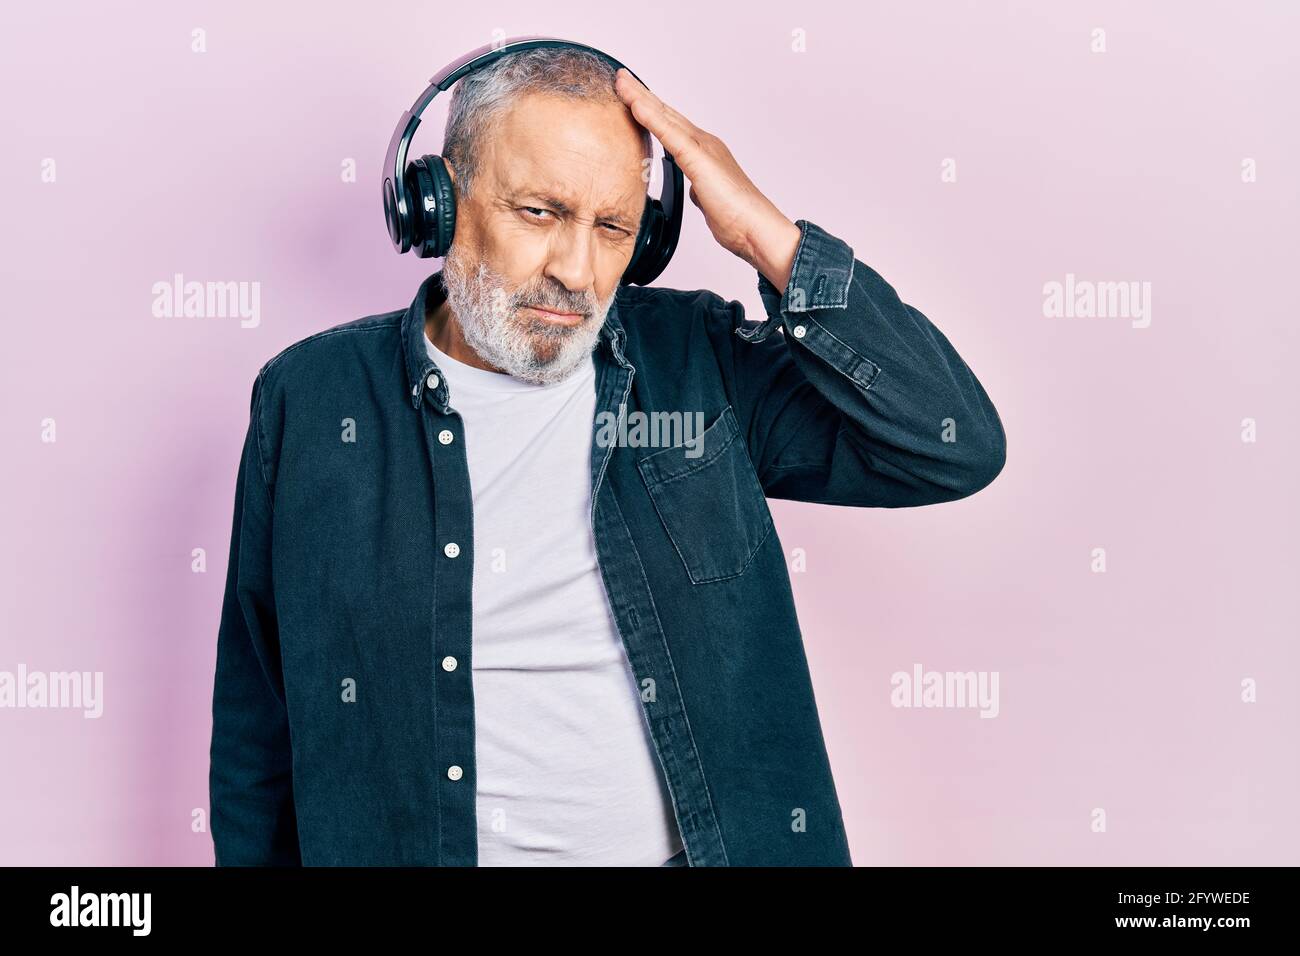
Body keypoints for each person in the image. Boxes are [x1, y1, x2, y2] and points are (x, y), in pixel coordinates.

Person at [209, 45, 1006, 867]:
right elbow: (256, 729)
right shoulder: (309, 401)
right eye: (540, 213)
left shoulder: (701, 363)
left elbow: (953, 445)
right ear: (439, 201)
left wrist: (771, 239)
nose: (577, 272)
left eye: (614, 226)